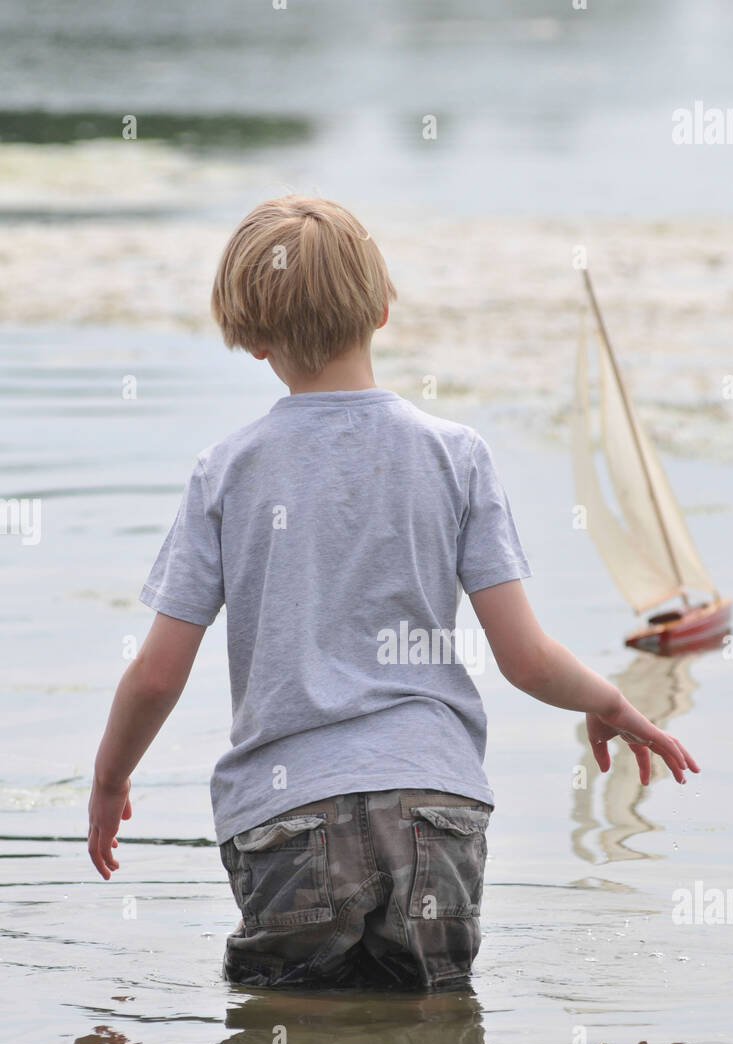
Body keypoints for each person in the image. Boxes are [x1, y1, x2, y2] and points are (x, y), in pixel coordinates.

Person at [87, 194, 698, 991]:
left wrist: (108, 779)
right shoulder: (456, 456)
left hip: (286, 816)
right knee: (432, 1037)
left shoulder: (227, 471)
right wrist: (608, 701)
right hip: (433, 804)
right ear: (380, 307)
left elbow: (159, 673)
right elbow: (525, 658)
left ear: (249, 332)